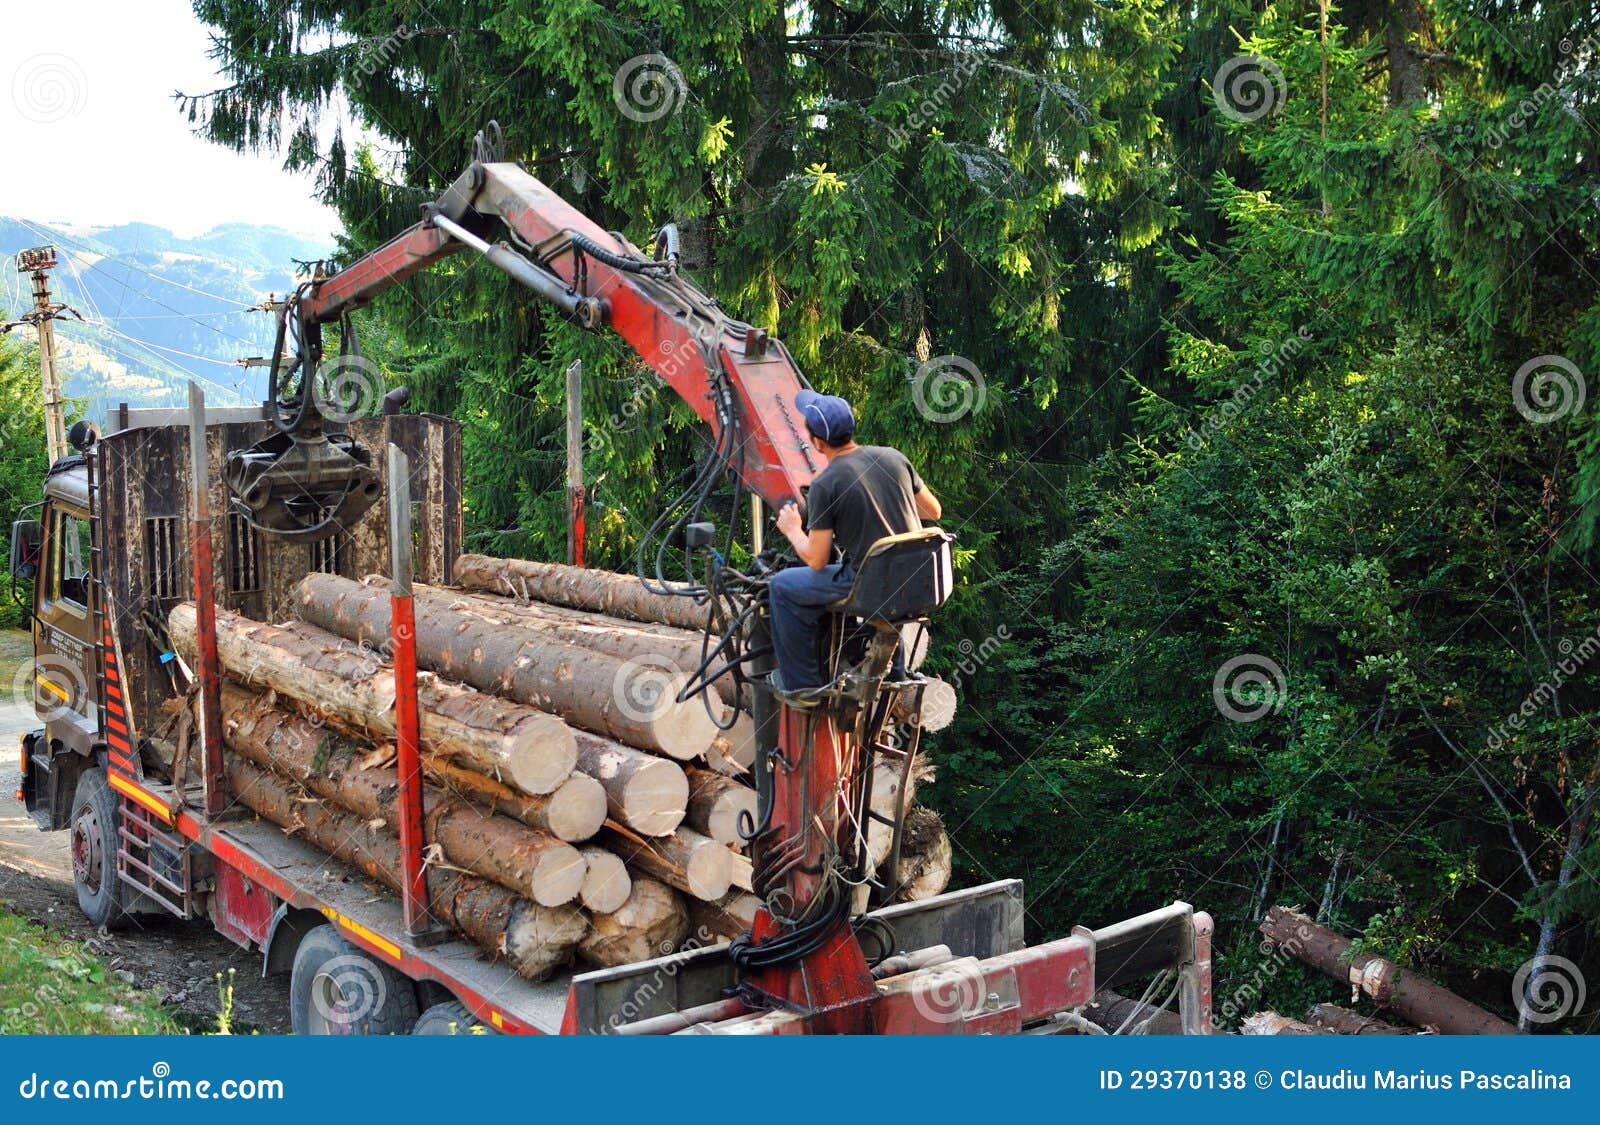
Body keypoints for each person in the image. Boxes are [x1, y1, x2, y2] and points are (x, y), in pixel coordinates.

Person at [769, 389, 942, 699]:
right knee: (884, 575)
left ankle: (803, 687)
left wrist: (794, 530)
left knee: (781, 586)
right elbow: (933, 510)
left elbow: (817, 560)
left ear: (818, 443)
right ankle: (896, 670)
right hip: (920, 582)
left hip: (872, 587)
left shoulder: (826, 483)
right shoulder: (893, 456)